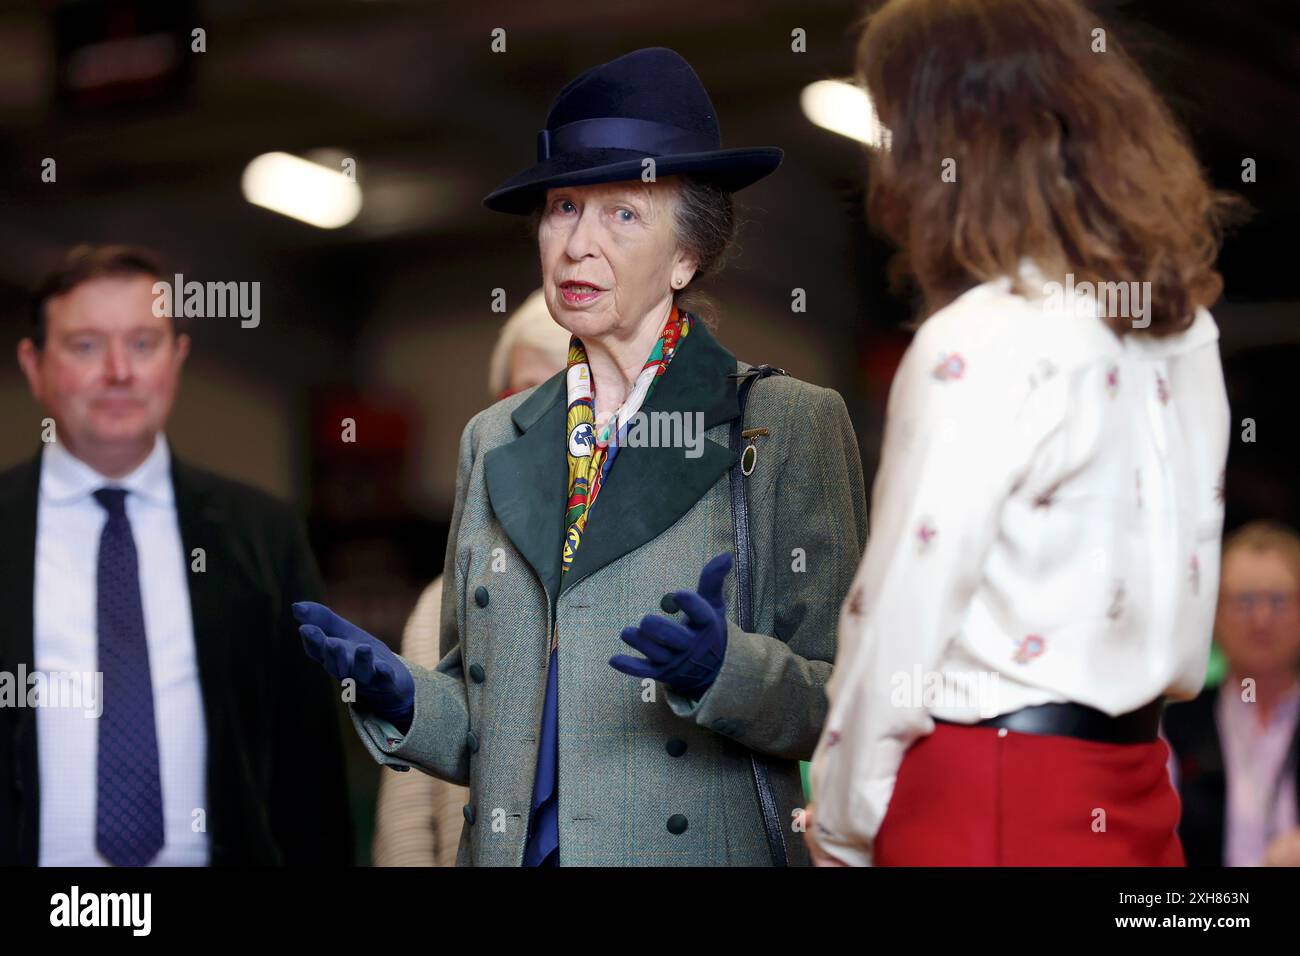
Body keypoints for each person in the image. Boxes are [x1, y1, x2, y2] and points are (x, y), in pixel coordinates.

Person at [295, 47, 867, 866]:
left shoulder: (784, 425)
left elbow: (843, 699)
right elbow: (488, 724)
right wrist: (405, 696)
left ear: (686, 255)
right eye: (564, 207)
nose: (576, 246)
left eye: (623, 214)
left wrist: (723, 670)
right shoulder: (492, 439)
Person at [807, 0, 1237, 866]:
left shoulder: (979, 338)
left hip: (989, 793)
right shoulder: (1185, 333)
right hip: (1141, 793)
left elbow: (899, 621)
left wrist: (845, 826)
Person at [0, 245, 352, 866]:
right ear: (34, 367)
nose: (118, 371)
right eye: (85, 346)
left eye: (143, 343)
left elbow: (310, 771)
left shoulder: (261, 533)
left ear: (177, 357)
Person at [372, 289, 569, 867]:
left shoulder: (661, 580)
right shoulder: (443, 600)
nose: (546, 414)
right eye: (521, 394)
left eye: (571, 390)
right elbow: (407, 829)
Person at [1164, 522, 1300, 867]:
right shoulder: (1175, 725)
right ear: (1214, 614)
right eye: (1243, 601)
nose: (1262, 619)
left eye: (1280, 600)